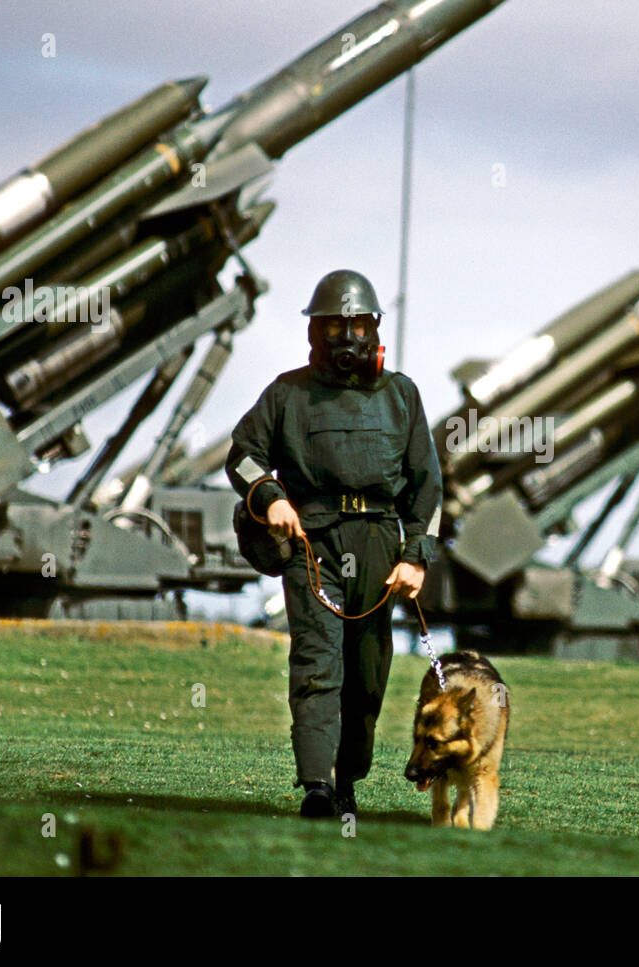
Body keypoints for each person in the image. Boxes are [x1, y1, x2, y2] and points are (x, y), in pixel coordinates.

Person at [224, 269, 443, 819]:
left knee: (367, 674)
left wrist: (416, 556)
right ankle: (318, 786)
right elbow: (243, 454)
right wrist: (271, 496)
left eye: (357, 325)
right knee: (319, 665)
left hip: (379, 542)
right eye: (333, 327)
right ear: (314, 332)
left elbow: (429, 489)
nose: (346, 339)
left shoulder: (401, 395)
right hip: (311, 540)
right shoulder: (286, 393)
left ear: (374, 329)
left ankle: (349, 779)